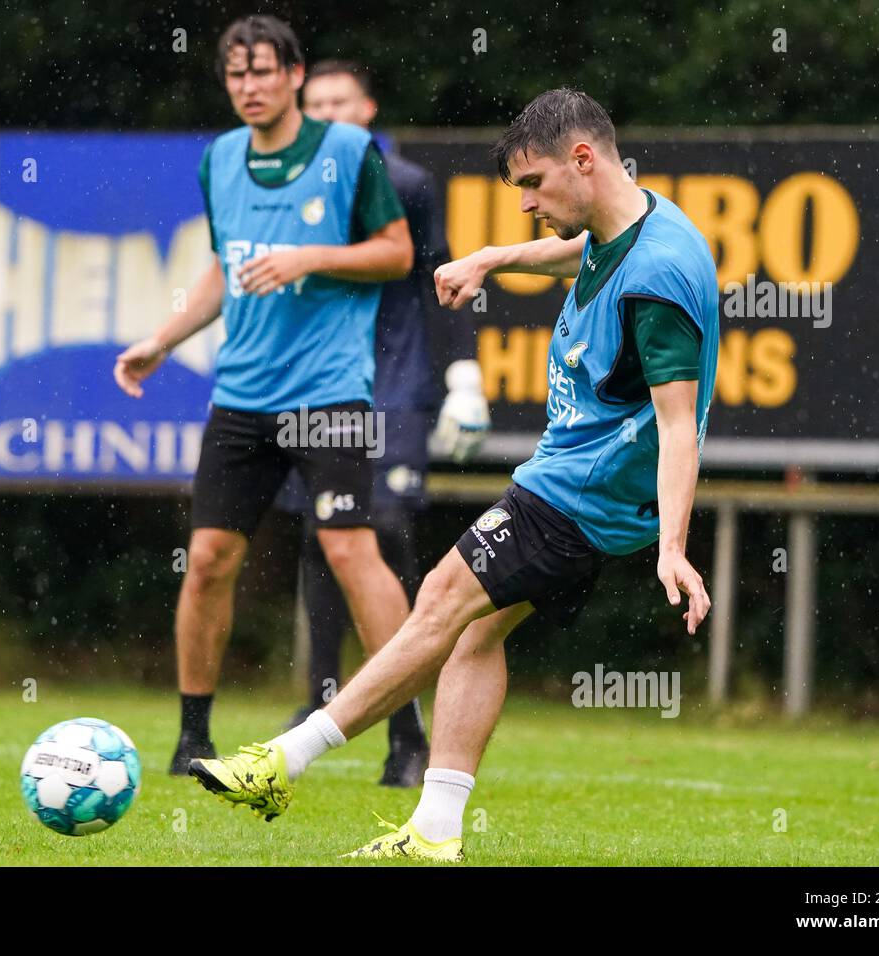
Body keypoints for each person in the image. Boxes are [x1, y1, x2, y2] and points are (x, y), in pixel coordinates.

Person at [188, 88, 719, 861]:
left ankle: (282, 759)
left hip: (585, 493)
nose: (529, 205)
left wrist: (674, 546)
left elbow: (679, 426)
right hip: (576, 477)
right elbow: (587, 252)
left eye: (534, 185)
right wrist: (495, 258)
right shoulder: (637, 225)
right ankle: (435, 834)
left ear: (583, 159)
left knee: (439, 596)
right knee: (472, 631)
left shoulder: (661, 276)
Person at [113, 15, 416, 776]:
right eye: (236, 74)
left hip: (332, 393)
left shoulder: (348, 153)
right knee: (210, 557)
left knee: (351, 549)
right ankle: (192, 738)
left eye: (263, 72)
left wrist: (310, 256)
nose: (250, 87)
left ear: (295, 76)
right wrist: (163, 338)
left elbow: (396, 253)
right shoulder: (219, 158)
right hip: (242, 396)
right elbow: (224, 265)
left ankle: (408, 735)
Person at [275, 58, 491, 788]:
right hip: (317, 389)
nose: (328, 112)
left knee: (387, 540)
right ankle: (319, 700)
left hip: (392, 391)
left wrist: (463, 377)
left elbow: (441, 282)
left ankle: (406, 731)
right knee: (320, 538)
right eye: (316, 103)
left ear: (368, 109)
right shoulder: (290, 187)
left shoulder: (404, 184)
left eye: (341, 100)